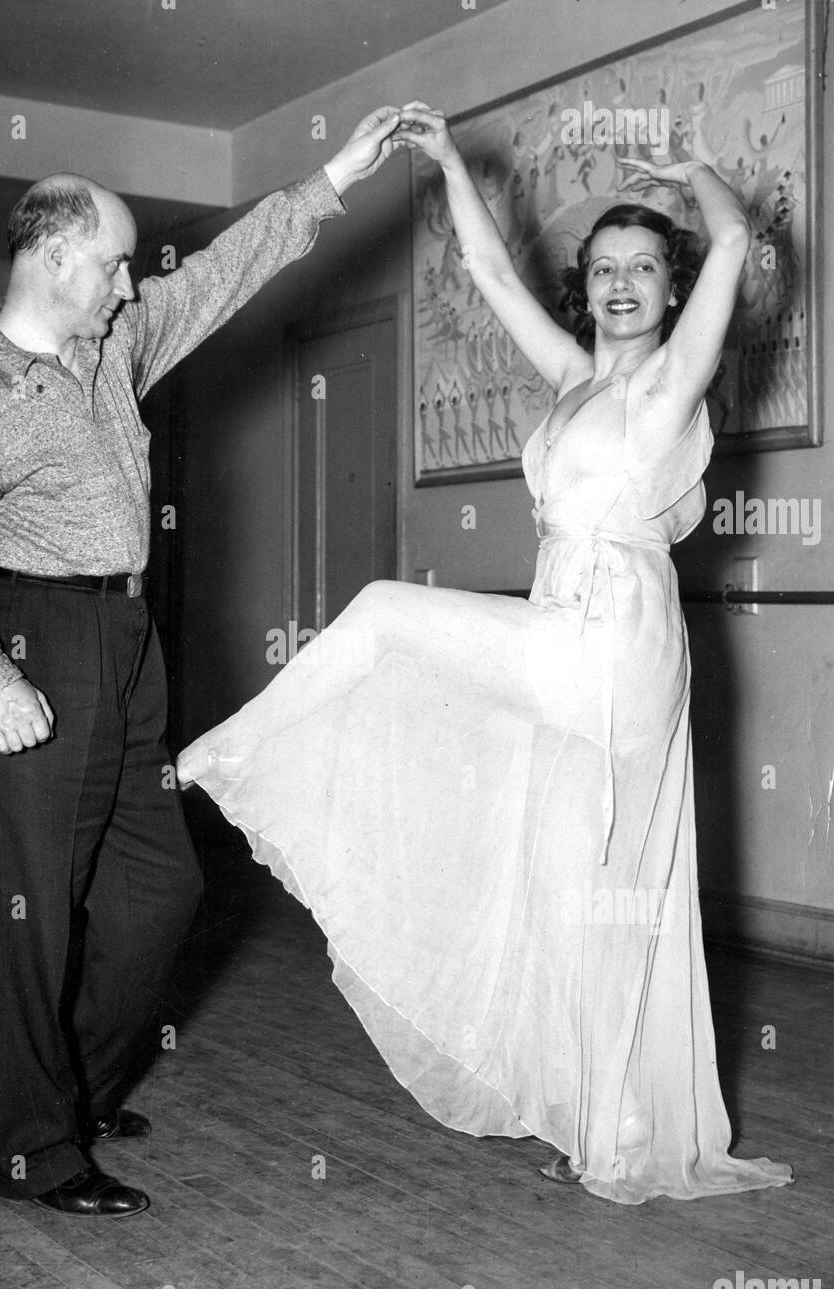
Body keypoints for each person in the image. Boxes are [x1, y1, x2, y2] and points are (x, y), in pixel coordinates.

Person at [177, 102, 794, 1204]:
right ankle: (601, 1126)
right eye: (602, 268)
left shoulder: (665, 387)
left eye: (643, 268)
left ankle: (228, 753)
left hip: (610, 647)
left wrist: (697, 169)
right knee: (578, 891)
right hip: (564, 623)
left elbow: (737, 243)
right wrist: (449, 159)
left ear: (668, 288)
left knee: (375, 610)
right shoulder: (573, 380)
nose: (617, 284)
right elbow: (486, 269)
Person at [0, 106, 404, 1219]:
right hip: (26, 644)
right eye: (114, 264)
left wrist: (335, 177)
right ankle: (33, 1148)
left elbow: (221, 274)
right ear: (57, 253)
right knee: (30, 911)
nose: (128, 285)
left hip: (125, 639)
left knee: (162, 889)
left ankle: (68, 1089)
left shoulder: (110, 347)